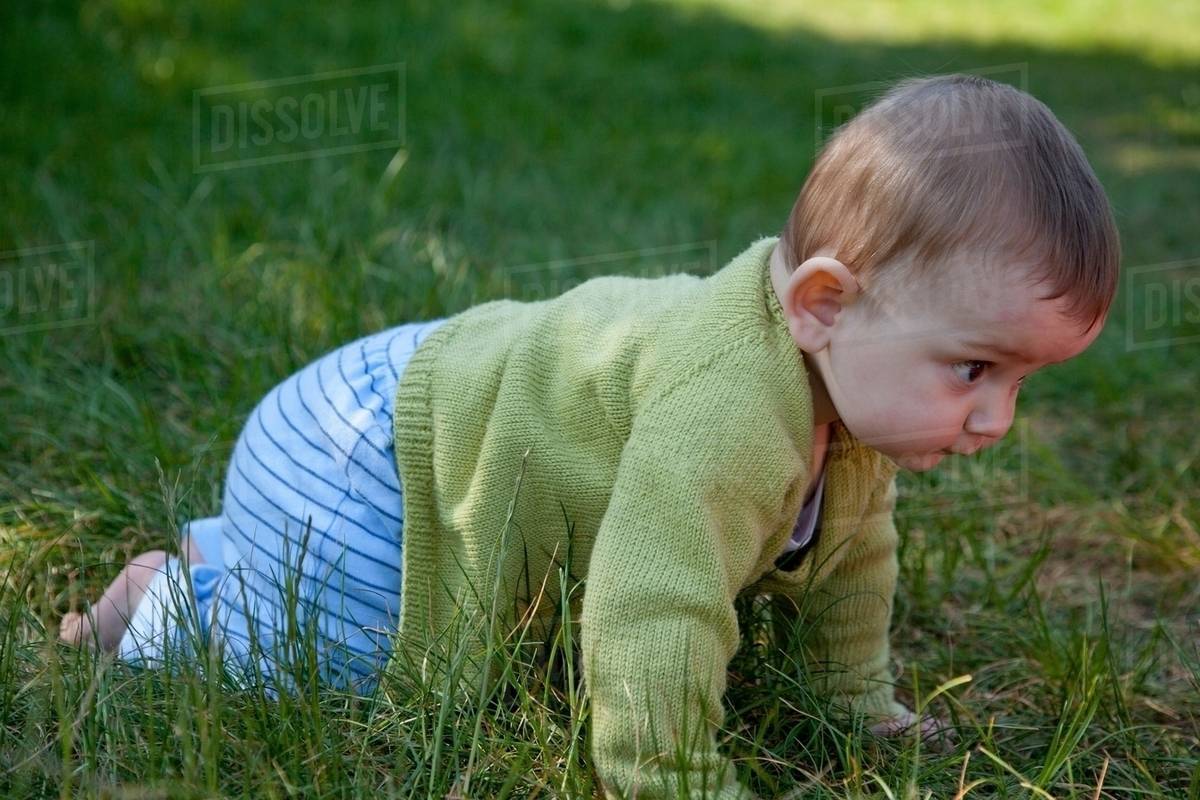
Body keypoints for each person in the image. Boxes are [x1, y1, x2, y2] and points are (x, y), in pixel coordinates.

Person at [59, 74, 1120, 799]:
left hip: (413, 406)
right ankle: (170, 602)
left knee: (331, 588)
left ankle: (223, 551)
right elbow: (653, 598)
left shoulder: (848, 397)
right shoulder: (725, 409)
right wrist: (670, 771)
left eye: (1024, 380)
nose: (995, 418)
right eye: (976, 368)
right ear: (825, 303)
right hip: (375, 456)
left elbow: (855, 558)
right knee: (345, 660)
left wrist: (859, 707)